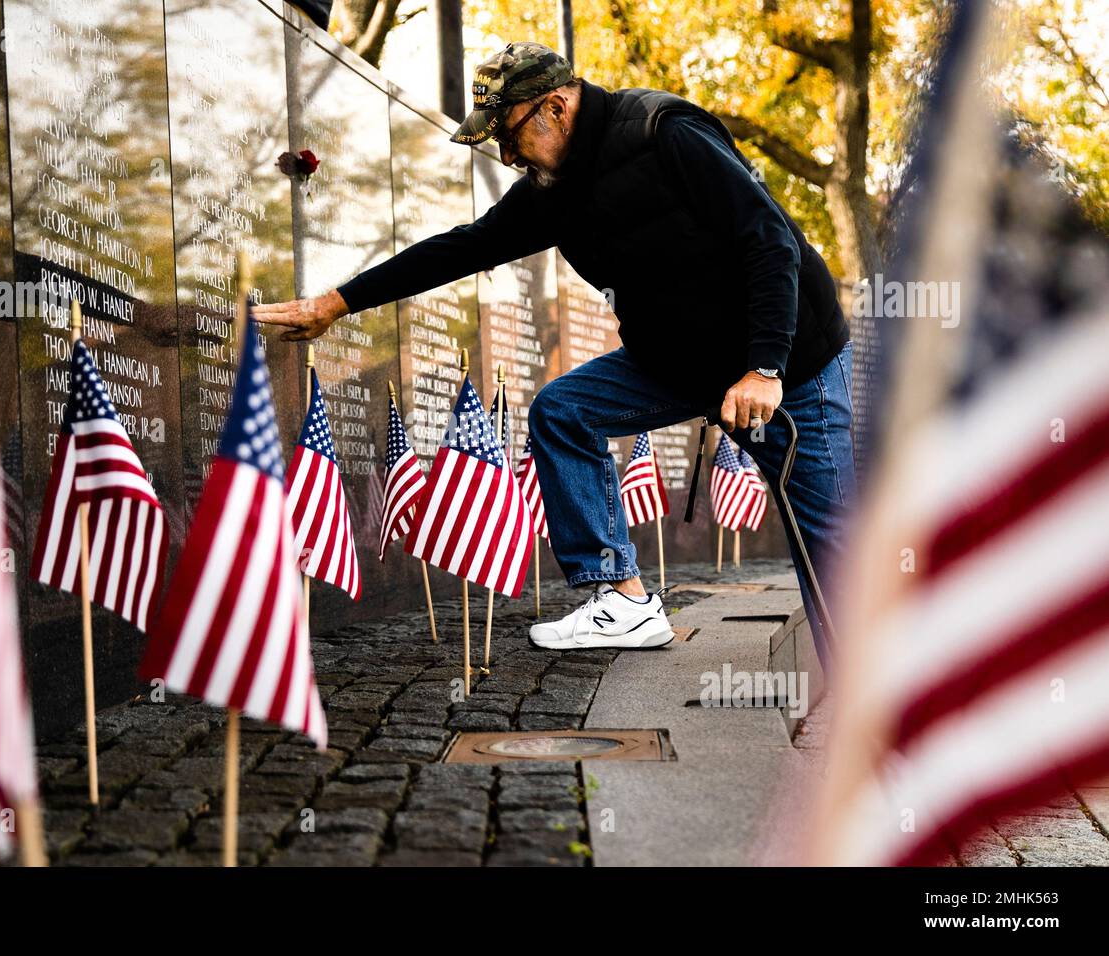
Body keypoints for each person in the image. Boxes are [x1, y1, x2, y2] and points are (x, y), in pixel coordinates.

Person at [254, 42, 856, 657]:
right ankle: (622, 599)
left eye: (510, 136)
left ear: (557, 108)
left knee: (830, 548)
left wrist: (764, 367)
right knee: (565, 411)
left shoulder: (664, 133)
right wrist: (339, 301)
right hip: (680, 363)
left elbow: (770, 242)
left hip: (792, 365)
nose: (508, 155)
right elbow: (461, 248)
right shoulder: (552, 191)